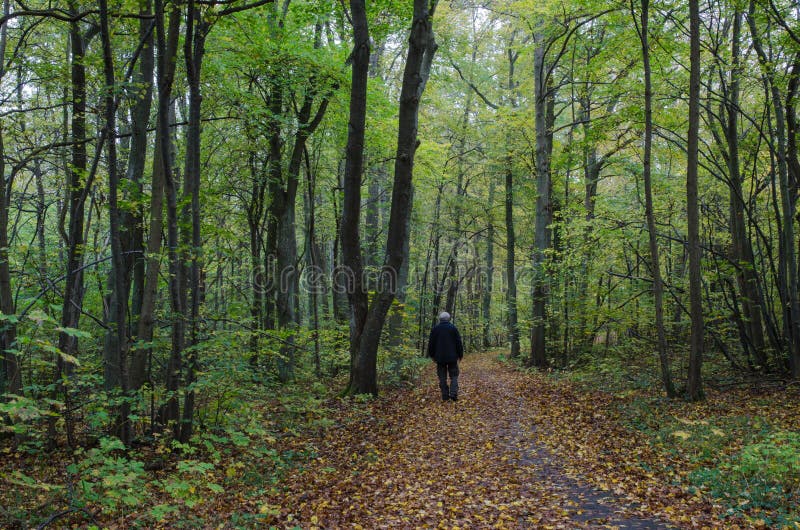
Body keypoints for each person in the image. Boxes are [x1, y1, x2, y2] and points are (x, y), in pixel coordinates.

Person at [427, 311, 464, 401]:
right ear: (449, 319)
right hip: (452, 357)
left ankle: (445, 396)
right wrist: (460, 355)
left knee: (442, 377)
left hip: (440, 358)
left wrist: (432, 355)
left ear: (440, 319)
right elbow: (458, 342)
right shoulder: (453, 328)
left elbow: (431, 344)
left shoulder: (435, 329)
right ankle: (453, 393)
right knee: (454, 376)